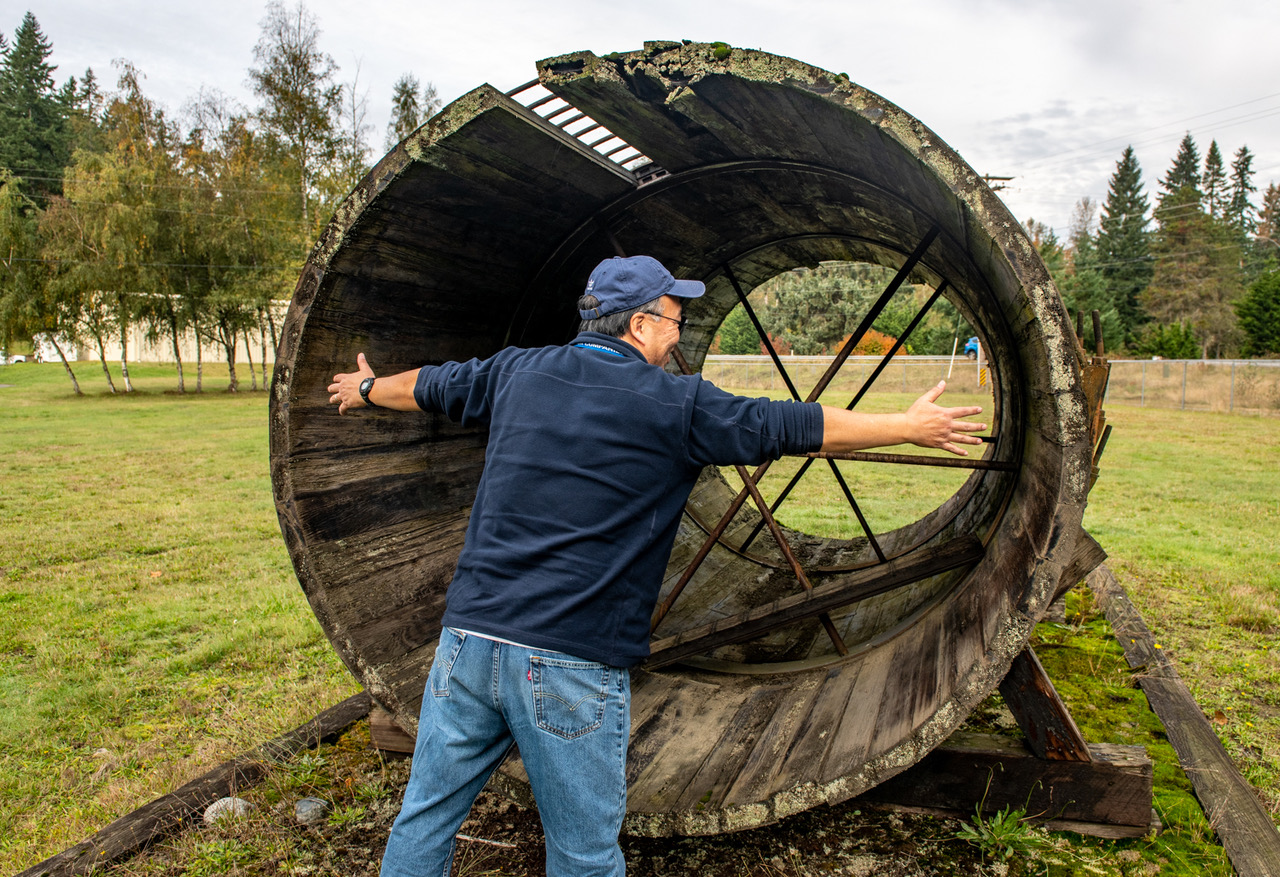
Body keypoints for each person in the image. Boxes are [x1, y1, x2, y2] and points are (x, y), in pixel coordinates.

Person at [328, 255, 986, 877]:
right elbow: (797, 426)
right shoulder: (679, 404)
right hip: (571, 661)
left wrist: (363, 386)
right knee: (583, 854)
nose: (678, 337)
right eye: (674, 321)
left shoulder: (516, 371)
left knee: (426, 816)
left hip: (469, 644)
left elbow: (431, 383)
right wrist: (906, 424)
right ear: (640, 324)